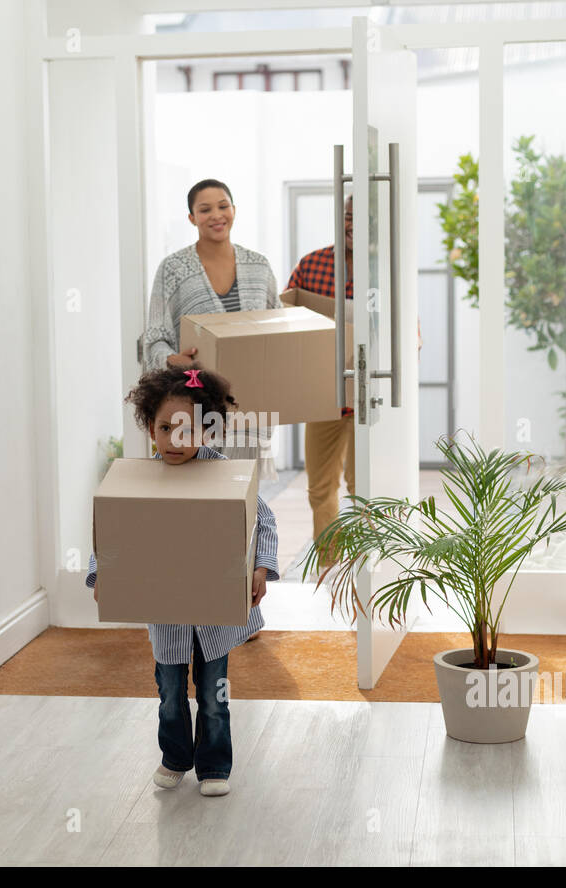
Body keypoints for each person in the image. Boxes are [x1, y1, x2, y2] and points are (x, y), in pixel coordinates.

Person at [86, 364, 279, 797]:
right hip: (166, 615)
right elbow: (113, 530)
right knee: (170, 694)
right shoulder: (140, 482)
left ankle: (214, 765)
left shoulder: (225, 474)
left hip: (215, 618)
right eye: (164, 428)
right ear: (149, 428)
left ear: (207, 430)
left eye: (187, 430)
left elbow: (263, 520)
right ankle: (174, 757)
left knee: (214, 696)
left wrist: (261, 567)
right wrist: (104, 575)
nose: (175, 440)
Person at [286, 195, 422, 568]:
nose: (355, 224)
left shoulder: (388, 270)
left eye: (366, 218)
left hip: (370, 398)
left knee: (365, 489)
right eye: (349, 216)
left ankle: (367, 568)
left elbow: (410, 335)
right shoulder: (312, 265)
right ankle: (329, 569)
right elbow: (286, 322)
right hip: (323, 395)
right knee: (320, 488)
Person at [143, 179, 281, 480]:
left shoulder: (259, 266)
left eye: (223, 206)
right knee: (196, 485)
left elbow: (277, 329)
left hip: (250, 402)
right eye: (205, 210)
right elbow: (154, 336)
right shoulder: (173, 268)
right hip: (195, 403)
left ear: (234, 210)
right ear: (192, 217)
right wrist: (172, 359)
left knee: (243, 486)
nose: (216, 215)